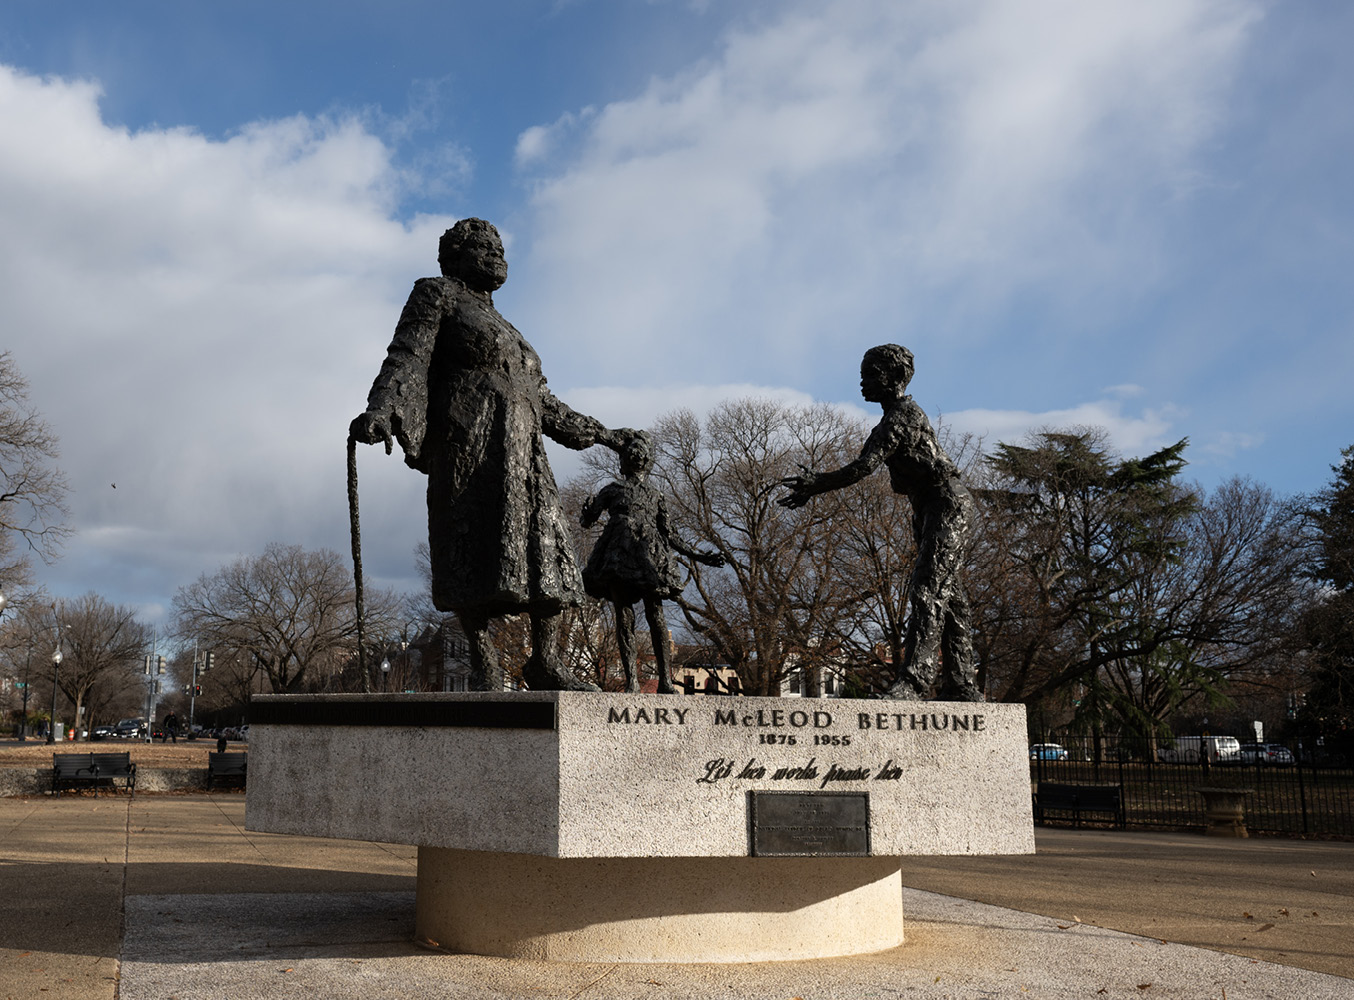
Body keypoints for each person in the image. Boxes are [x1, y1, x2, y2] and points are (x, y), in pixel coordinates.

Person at [350, 218, 622, 691]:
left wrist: (604, 434)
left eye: (500, 248)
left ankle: (545, 662)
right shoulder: (437, 294)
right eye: (483, 246)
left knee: (547, 550)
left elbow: (544, 401)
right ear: (453, 257)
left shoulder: (511, 330)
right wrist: (381, 408)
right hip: (469, 444)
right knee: (470, 548)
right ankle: (484, 662)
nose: (497, 255)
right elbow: (407, 355)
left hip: (524, 456)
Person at [779, 344, 981, 701]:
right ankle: (962, 683)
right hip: (930, 507)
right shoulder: (890, 421)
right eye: (863, 374)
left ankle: (915, 683)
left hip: (947, 504)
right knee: (950, 597)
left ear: (894, 378)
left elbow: (863, 468)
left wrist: (815, 484)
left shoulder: (904, 415)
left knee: (928, 590)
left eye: (871, 374)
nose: (862, 382)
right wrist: (816, 486)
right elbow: (863, 465)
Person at [580, 430, 724, 693]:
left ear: (645, 462)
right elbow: (588, 520)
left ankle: (666, 682)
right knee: (625, 616)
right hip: (618, 556)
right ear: (624, 462)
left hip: (648, 557)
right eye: (630, 455)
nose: (634, 459)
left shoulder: (655, 496)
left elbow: (670, 534)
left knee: (654, 614)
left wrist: (699, 555)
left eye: (638, 455)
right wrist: (587, 513)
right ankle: (632, 682)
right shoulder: (612, 490)